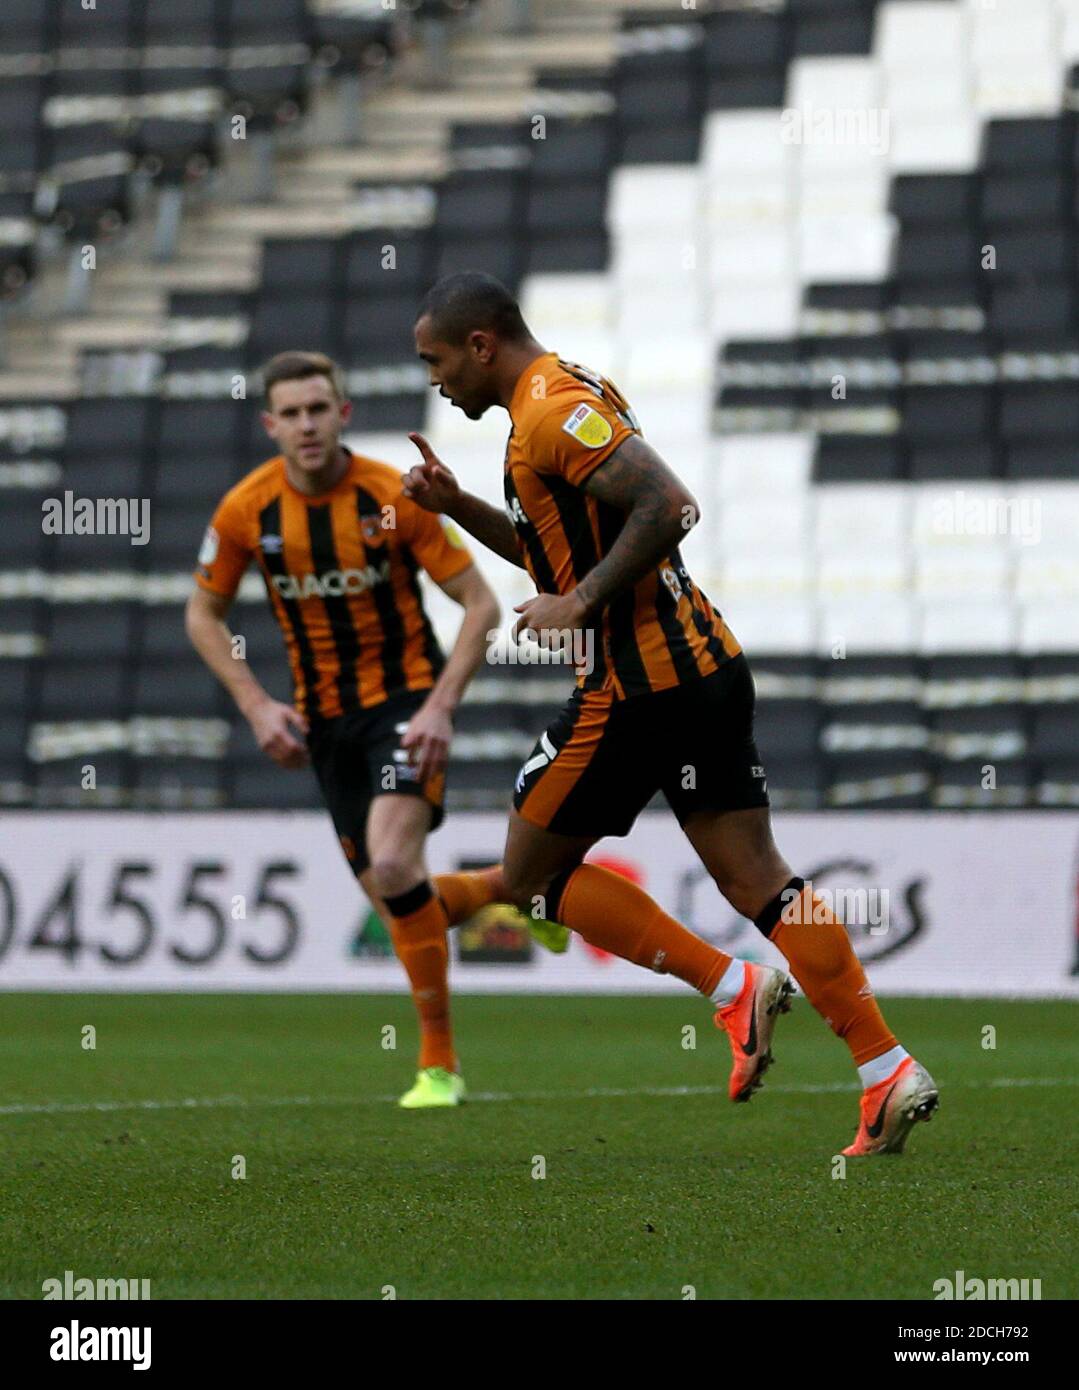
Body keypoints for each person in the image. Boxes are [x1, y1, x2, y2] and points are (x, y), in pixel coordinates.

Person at [403, 274, 939, 1154]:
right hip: (706, 669)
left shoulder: (549, 413)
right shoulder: (558, 399)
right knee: (759, 878)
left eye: (435, 361)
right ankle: (883, 1067)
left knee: (531, 875)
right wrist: (457, 505)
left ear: (480, 346)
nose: (434, 380)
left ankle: (731, 988)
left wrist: (580, 603)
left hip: (637, 687)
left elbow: (670, 506)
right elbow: (559, 553)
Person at [185, 349, 565, 1110]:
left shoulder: (392, 496)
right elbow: (202, 613)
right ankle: (518, 888)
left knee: (392, 868)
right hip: (326, 726)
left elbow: (481, 605)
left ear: (343, 413)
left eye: (318, 408)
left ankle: (439, 1066)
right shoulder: (245, 512)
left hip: (405, 706)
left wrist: (439, 707)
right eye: (290, 414)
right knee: (395, 896)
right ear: (270, 425)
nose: (306, 425)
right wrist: (258, 705)